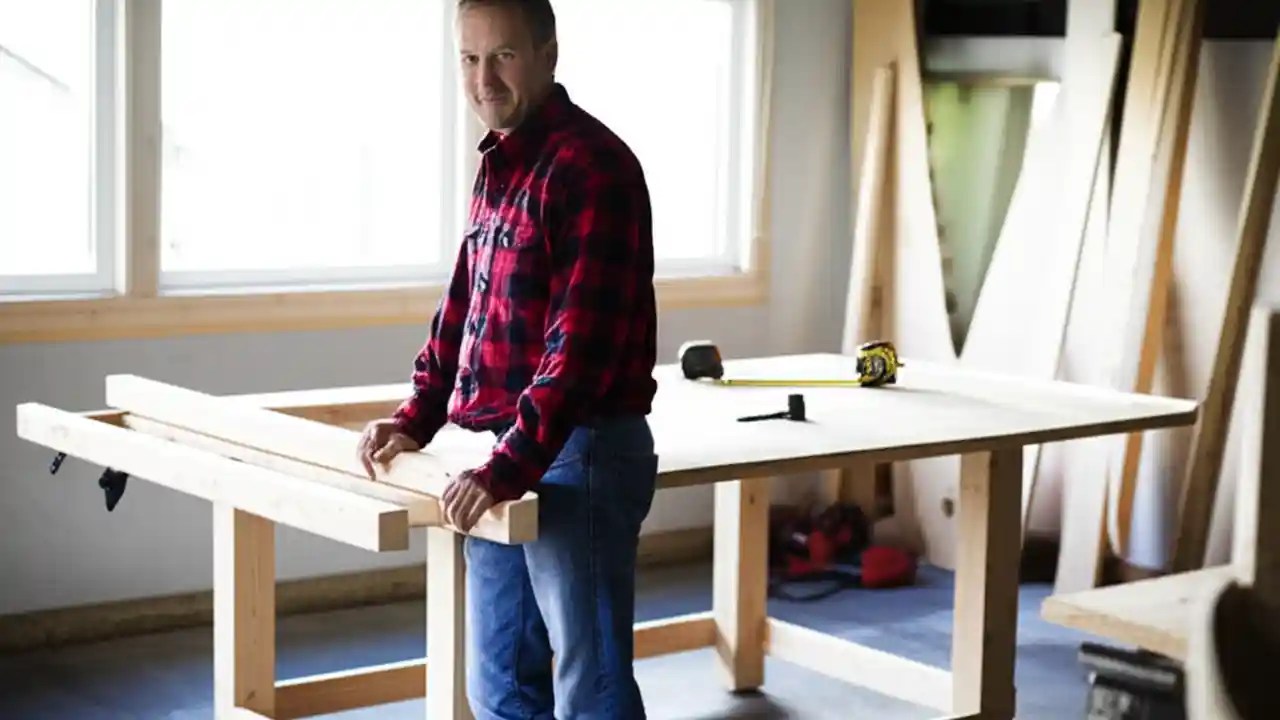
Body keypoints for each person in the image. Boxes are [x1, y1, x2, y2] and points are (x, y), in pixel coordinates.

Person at [355, 0, 659, 717]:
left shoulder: (593, 170)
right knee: (499, 684)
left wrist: (504, 469)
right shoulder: (502, 162)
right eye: (469, 58)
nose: (483, 78)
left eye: (503, 56)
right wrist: (416, 420)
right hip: (508, 453)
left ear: (549, 54)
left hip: (580, 453)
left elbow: (576, 351)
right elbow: (465, 306)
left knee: (591, 684)